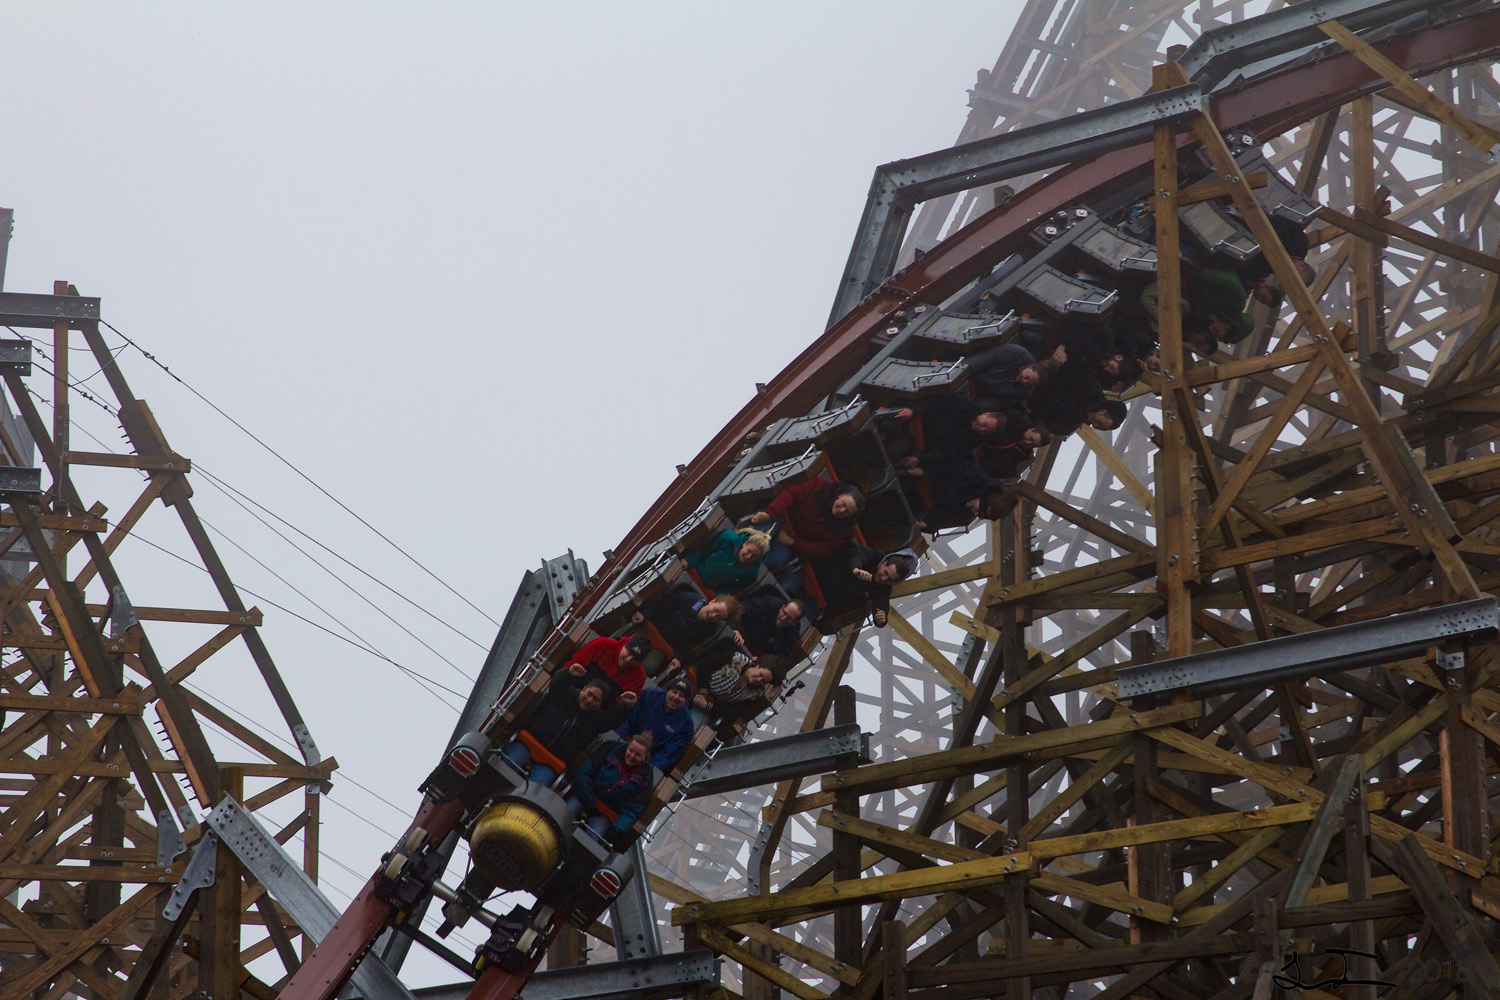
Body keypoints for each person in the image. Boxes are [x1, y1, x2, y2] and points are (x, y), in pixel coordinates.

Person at [501, 674, 626, 787]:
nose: (589, 700)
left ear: (599, 704)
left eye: (596, 699)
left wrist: (626, 706)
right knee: (507, 765)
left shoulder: (595, 721)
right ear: (583, 689)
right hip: (527, 745)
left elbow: (612, 720)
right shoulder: (565, 695)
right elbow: (557, 682)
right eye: (589, 694)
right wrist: (568, 672)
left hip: (550, 764)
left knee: (535, 789)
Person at [567, 732, 660, 845]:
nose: (632, 756)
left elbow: (632, 810)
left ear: (644, 758)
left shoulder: (645, 779)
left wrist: (618, 829)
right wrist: (590, 802)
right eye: (630, 750)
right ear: (628, 746)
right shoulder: (610, 749)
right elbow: (584, 773)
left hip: (604, 814)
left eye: (638, 755)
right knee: (565, 813)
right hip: (583, 797)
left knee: (593, 838)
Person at [750, 476, 864, 560]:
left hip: (789, 540)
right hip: (778, 515)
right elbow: (791, 493)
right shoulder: (821, 485)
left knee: (777, 558)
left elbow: (820, 549)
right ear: (841, 495)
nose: (842, 510)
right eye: (844, 504)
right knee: (756, 537)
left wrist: (792, 542)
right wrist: (770, 513)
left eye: (847, 511)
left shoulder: (845, 532)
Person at [811, 547, 918, 627]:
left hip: (823, 598)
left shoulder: (884, 587)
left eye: (889, 579)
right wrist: (856, 569)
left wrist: (881, 618)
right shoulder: (875, 555)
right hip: (821, 572)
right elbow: (856, 554)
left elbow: (882, 603)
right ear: (884, 564)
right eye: (885, 573)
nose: (883, 578)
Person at [632, 591, 741, 669]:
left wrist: (678, 657)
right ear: (712, 601)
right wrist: (644, 614)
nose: (713, 615)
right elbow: (661, 605)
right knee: (631, 647)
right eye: (715, 610)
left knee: (648, 666)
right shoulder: (688, 598)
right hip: (648, 628)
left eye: (718, 617)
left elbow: (687, 643)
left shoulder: (710, 629)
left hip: (661, 647)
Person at [613, 679, 695, 773]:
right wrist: (618, 742)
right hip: (625, 742)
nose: (676, 697)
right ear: (668, 691)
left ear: (686, 701)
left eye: (681, 696)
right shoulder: (649, 695)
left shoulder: (686, 724)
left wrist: (646, 769)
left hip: (647, 759)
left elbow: (668, 754)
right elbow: (626, 720)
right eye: (674, 692)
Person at [694, 653, 788, 725]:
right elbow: (705, 665)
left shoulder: (756, 694)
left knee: (696, 723)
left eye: (763, 681)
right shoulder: (736, 658)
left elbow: (732, 711)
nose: (758, 680)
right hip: (698, 684)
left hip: (710, 706)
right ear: (758, 666)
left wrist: (707, 705)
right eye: (760, 674)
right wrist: (703, 692)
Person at [565, 633, 651, 705]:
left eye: (635, 659)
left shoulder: (638, 679)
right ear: (624, 645)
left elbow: (616, 710)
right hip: (570, 693)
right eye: (629, 653)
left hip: (594, 713)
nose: (628, 660)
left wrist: (626, 706)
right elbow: (571, 666)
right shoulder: (602, 645)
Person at [683, 527, 772, 593]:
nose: (748, 557)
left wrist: (719, 598)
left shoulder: (752, 573)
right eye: (749, 551)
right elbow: (703, 551)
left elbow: (730, 589)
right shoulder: (727, 537)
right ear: (745, 543)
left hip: (708, 590)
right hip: (693, 570)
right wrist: (688, 561)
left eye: (754, 556)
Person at [737, 594, 805, 661]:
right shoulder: (769, 603)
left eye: (789, 618)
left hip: (756, 654)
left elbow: (782, 657)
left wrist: (763, 662)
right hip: (741, 634)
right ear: (782, 607)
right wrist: (733, 629)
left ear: (794, 623)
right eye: (784, 613)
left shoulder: (793, 633)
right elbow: (741, 608)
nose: (783, 618)